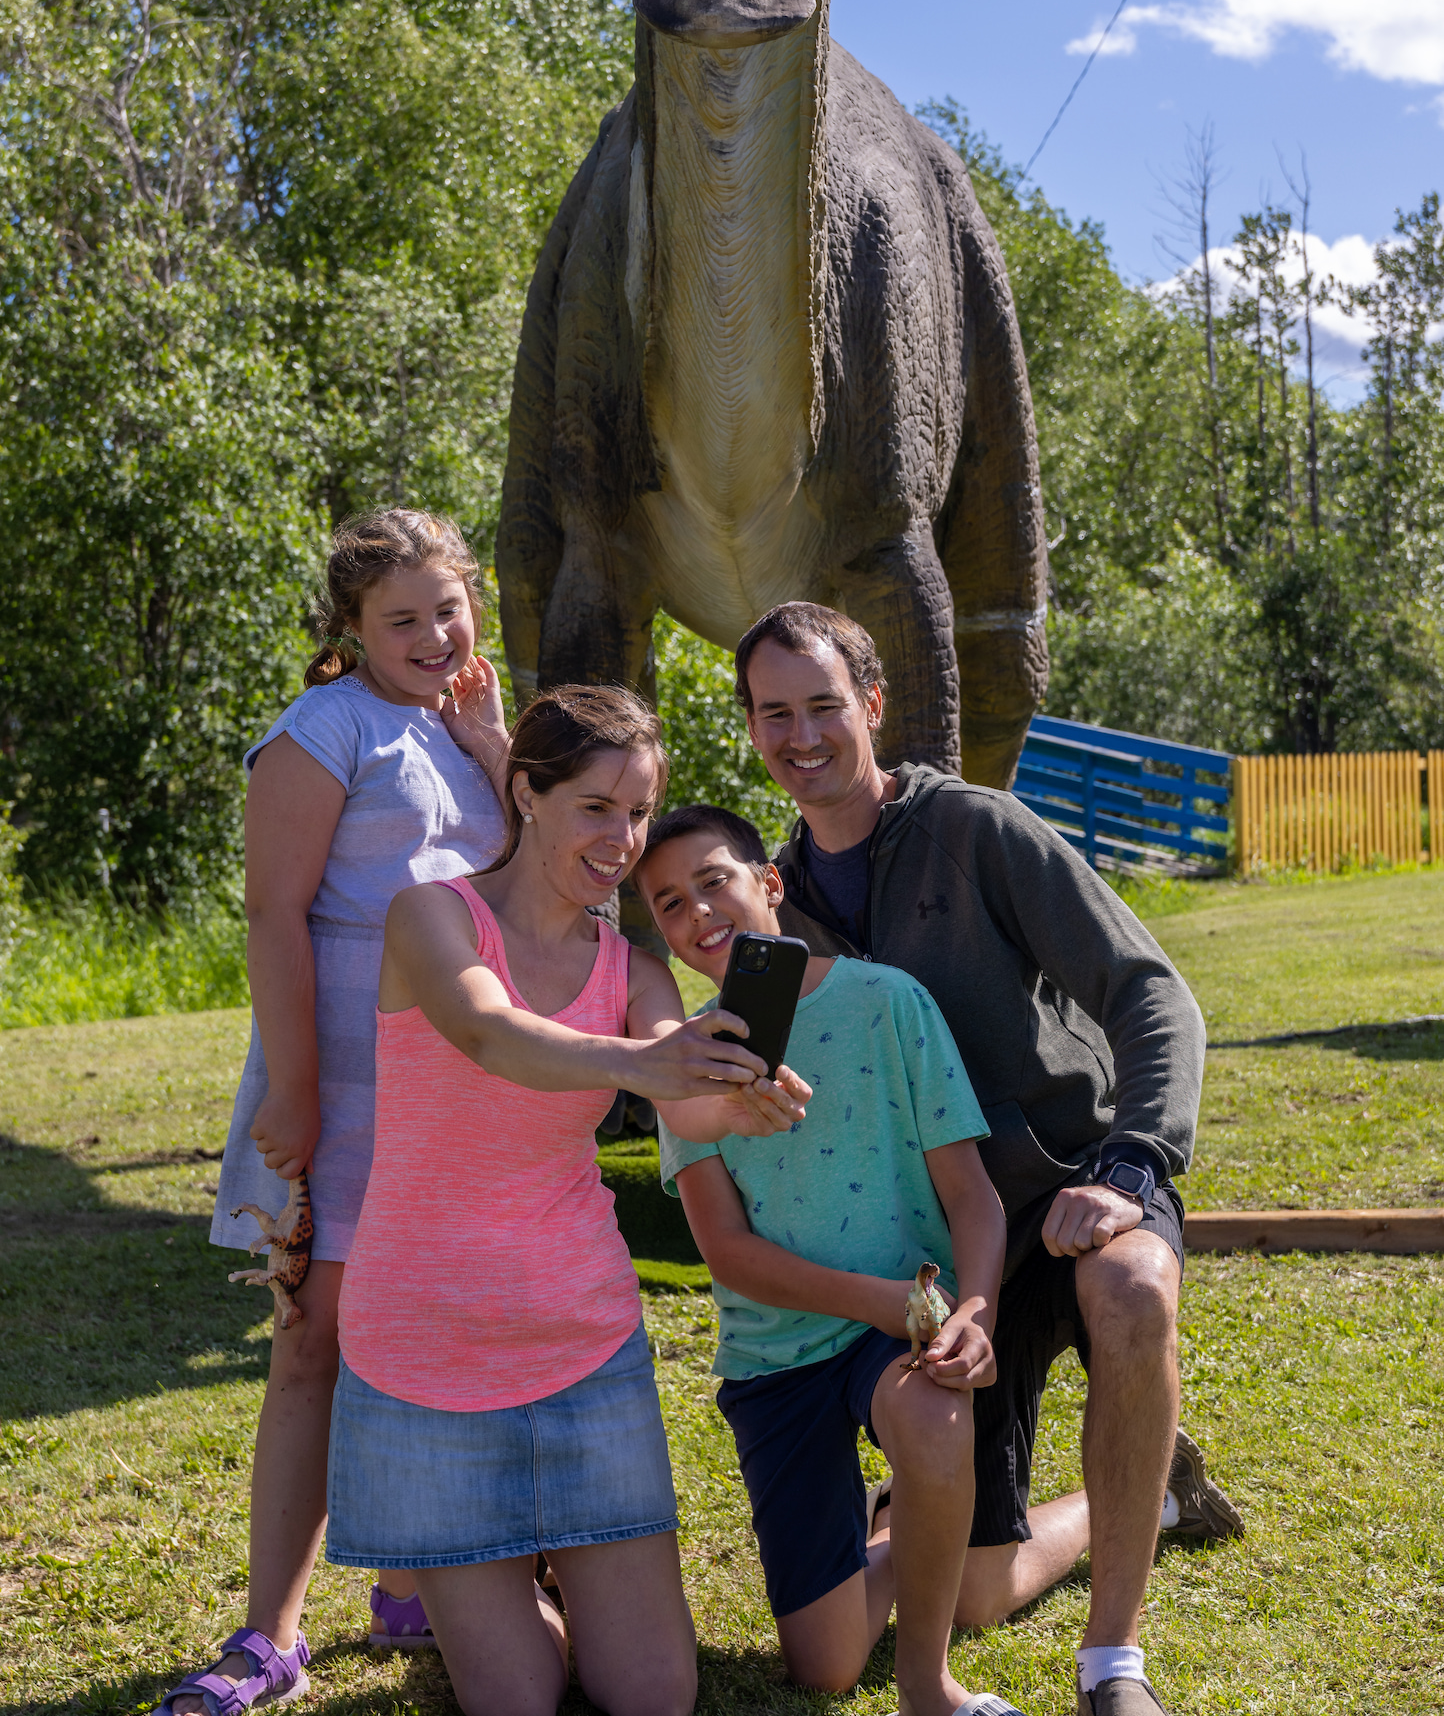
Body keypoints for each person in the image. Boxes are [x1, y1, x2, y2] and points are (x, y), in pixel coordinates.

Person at [732, 601, 1244, 1716]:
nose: (802, 733)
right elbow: (735, 1089)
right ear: (754, 729)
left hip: (1073, 1186)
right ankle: (1154, 1496)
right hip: (957, 1264)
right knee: (966, 1592)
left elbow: (1149, 990)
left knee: (1133, 1285)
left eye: (824, 703)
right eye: (775, 713)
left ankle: (1114, 1662)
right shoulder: (770, 907)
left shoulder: (977, 827)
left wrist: (1130, 1164)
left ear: (871, 703)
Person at [323, 684, 770, 1716]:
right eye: (597, 807)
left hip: (581, 1345)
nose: (624, 838)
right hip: (424, 1348)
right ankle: (462, 1575)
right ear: (526, 791)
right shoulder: (432, 912)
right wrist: (649, 1064)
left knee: (653, 1691)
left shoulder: (633, 966)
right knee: (517, 1697)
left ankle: (515, 1569)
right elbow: (492, 1033)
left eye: (641, 810)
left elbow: (687, 1104)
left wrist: (739, 1100)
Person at [158, 509, 513, 1716]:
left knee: (431, 1330)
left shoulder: (466, 727)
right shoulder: (320, 732)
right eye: (401, 616)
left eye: (447, 608)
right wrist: (296, 1094)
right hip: (346, 1084)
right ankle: (270, 1632)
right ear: (351, 626)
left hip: (461, 1086)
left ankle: (409, 1585)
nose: (432, 632)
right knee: (317, 1337)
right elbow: (273, 916)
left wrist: (494, 740)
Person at [636, 802, 1026, 1716]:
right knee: (828, 1666)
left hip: (901, 1329)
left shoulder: (889, 1001)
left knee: (931, 1421)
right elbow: (728, 1253)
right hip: (779, 1356)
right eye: (667, 903)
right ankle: (905, 1524)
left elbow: (972, 1196)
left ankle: (930, 1685)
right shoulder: (679, 1063)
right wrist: (877, 1300)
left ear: (769, 883)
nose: (697, 913)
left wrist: (974, 1313)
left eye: (713, 880)